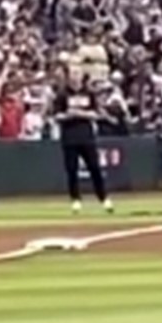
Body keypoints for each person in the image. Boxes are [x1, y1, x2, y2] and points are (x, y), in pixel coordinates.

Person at [53, 68, 112, 214]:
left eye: (77, 75)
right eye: (72, 75)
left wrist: (81, 114)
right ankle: (76, 200)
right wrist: (68, 115)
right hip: (69, 138)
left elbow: (97, 114)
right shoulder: (62, 95)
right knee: (72, 170)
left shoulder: (89, 93)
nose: (75, 78)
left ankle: (103, 198)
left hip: (87, 137)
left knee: (95, 168)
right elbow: (56, 116)